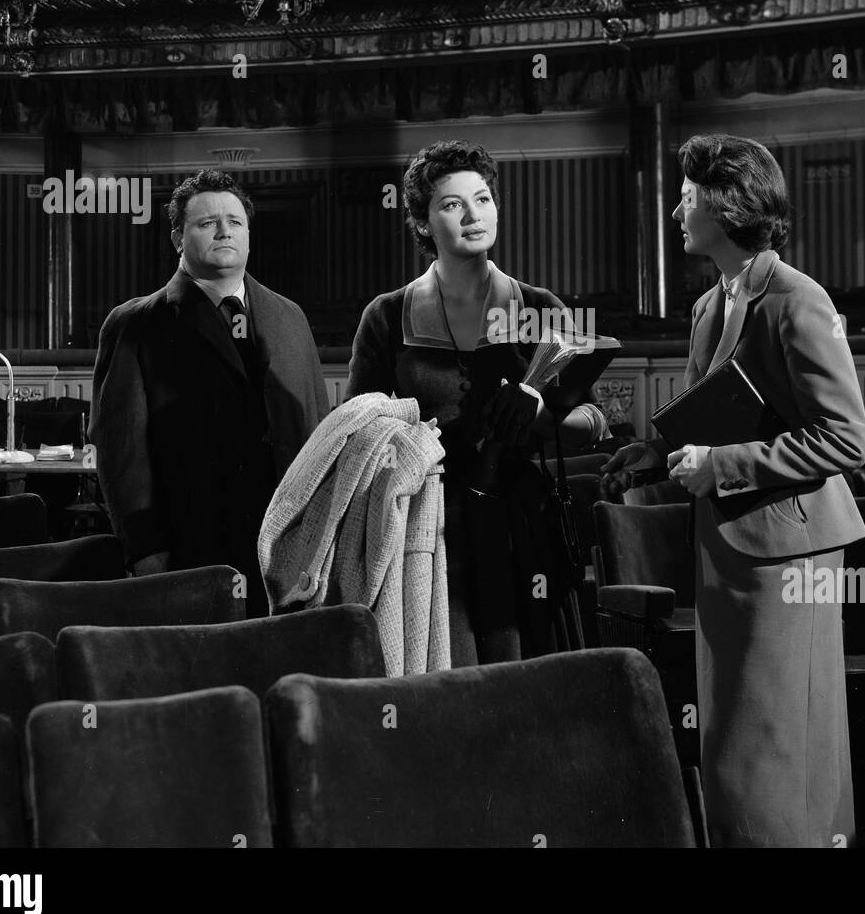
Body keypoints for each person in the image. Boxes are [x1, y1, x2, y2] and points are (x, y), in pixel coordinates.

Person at [603, 134, 865, 848]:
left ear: (725, 208)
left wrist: (719, 465)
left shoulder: (798, 300)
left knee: (780, 743)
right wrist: (653, 454)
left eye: (686, 198)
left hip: (789, 555)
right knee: (734, 741)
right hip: (728, 549)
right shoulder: (709, 305)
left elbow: (845, 438)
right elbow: (712, 416)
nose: (673, 212)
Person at [347, 140, 608, 667]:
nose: (473, 215)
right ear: (422, 222)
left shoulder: (539, 307)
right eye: (451, 204)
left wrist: (540, 416)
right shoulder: (386, 315)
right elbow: (360, 430)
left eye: (483, 199)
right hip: (430, 527)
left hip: (522, 527)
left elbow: (595, 420)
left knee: (529, 678)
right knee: (449, 674)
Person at [90, 169, 329, 616]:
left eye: (235, 222)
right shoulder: (135, 323)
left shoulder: (289, 316)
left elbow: (315, 431)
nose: (224, 231)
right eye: (207, 223)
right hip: (190, 549)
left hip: (288, 551)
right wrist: (145, 553)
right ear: (177, 238)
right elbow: (122, 456)